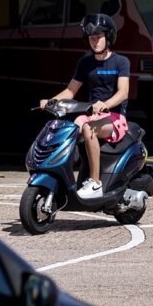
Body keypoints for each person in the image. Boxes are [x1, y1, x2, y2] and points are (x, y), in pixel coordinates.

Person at [40, 13, 130, 200]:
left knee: (88, 129)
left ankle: (95, 183)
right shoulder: (85, 63)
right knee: (68, 128)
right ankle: (62, 174)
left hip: (114, 118)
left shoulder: (121, 62)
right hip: (91, 115)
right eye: (91, 38)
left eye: (99, 38)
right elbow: (70, 91)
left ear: (109, 37)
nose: (95, 42)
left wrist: (105, 104)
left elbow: (123, 93)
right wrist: (51, 101)